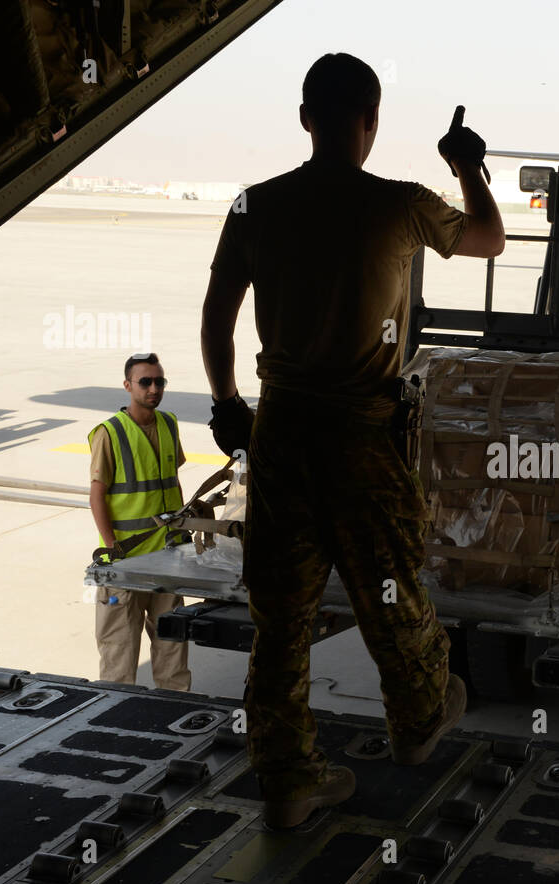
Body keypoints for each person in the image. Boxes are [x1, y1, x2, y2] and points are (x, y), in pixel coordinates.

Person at [199, 53, 505, 830]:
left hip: (282, 436)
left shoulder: (252, 206)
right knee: (393, 590)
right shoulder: (401, 205)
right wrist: (468, 168)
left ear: (305, 118)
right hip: (363, 437)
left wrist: (230, 403)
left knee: (282, 620)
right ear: (370, 123)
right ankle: (421, 716)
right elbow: (491, 240)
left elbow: (216, 316)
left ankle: (290, 783)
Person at [89, 352, 193, 691]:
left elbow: (172, 480)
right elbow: (97, 494)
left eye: (159, 381)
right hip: (128, 563)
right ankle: (117, 718)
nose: (153, 388)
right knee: (119, 653)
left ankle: (175, 715)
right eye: (145, 382)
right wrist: (110, 546)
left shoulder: (168, 423)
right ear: (127, 385)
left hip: (168, 558)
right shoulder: (110, 433)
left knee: (173, 650)